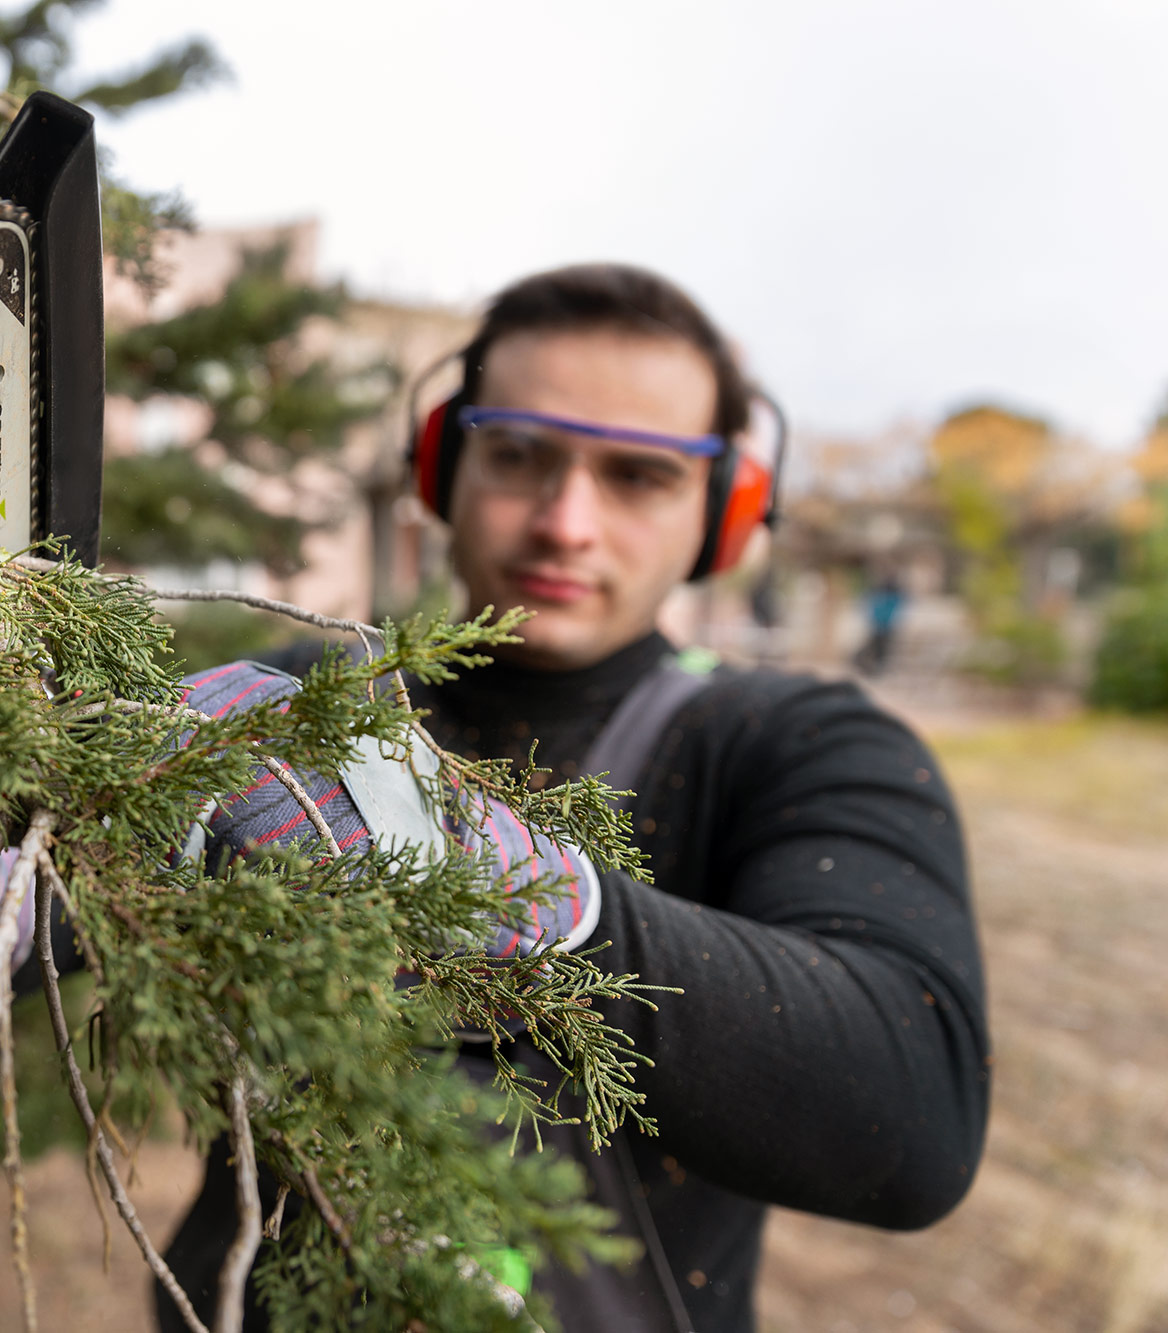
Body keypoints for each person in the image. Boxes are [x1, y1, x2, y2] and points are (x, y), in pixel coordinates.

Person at [155, 264, 989, 1332]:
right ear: (442, 465)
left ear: (721, 516)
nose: (565, 521)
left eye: (639, 475)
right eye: (517, 454)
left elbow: (913, 1113)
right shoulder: (291, 713)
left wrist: (519, 896)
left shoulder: (795, 743)